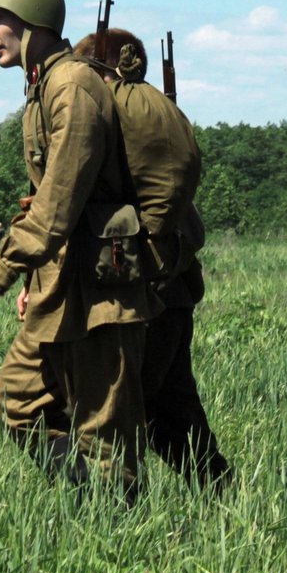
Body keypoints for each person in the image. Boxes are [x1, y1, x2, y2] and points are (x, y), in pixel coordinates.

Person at [0, 0, 159, 497]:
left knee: (104, 432)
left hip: (100, 290)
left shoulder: (72, 87)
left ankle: (117, 526)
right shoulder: (45, 85)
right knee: (15, 401)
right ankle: (85, 498)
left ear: (33, 24)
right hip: (61, 283)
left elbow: (56, 203)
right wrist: (33, 281)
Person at [71, 27, 230, 490]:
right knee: (172, 410)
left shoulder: (121, 115)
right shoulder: (151, 113)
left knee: (120, 407)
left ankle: (115, 507)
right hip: (169, 283)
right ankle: (223, 495)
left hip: (146, 284)